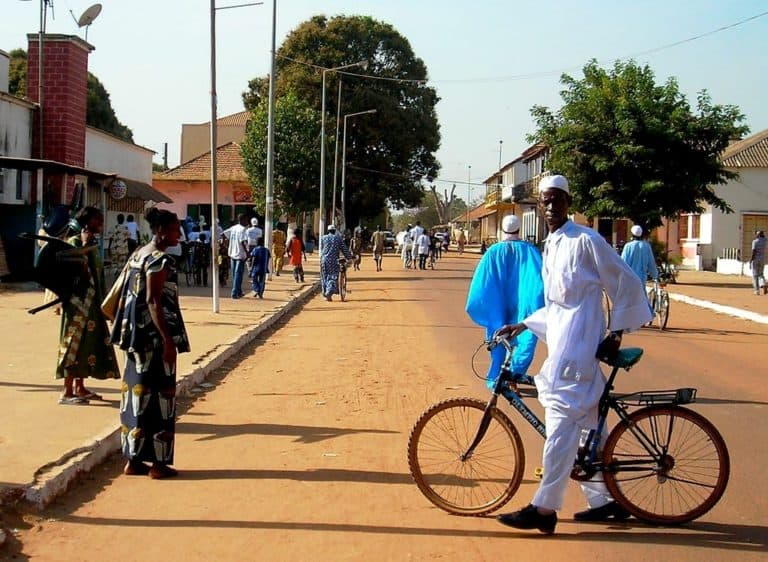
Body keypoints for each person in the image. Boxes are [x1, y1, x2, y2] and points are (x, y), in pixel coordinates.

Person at [495, 175, 652, 534]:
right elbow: (556, 305)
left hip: (579, 348)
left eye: (557, 200)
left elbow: (625, 281)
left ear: (569, 202)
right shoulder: (550, 244)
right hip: (563, 341)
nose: (550, 207)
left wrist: (616, 331)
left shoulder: (586, 240)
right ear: (539, 206)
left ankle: (545, 508)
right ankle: (604, 500)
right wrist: (522, 324)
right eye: (545, 201)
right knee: (588, 426)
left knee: (561, 425)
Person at [110, 207, 190, 479]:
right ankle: (158, 464)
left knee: (135, 397)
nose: (178, 233)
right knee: (160, 397)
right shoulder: (159, 260)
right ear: (160, 231)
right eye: (174, 228)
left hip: (133, 336)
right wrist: (168, 340)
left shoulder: (137, 255)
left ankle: (133, 461)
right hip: (154, 338)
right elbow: (154, 300)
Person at [466, 214, 544, 390]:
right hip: (524, 306)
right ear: (519, 229)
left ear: (502, 229)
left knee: (499, 338)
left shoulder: (492, 252)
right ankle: (513, 376)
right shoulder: (530, 251)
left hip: (498, 305)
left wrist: (484, 305)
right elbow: (540, 281)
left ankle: (498, 376)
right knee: (526, 340)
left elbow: (482, 282)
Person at [56, 206, 120, 405]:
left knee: (88, 346)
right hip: (77, 306)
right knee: (73, 346)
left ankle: (80, 387)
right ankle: (67, 392)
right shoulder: (74, 243)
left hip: (92, 304)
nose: (101, 224)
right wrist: (83, 245)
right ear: (87, 222)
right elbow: (74, 271)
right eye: (97, 220)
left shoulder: (93, 243)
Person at [320, 224, 353, 301]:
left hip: (324, 260)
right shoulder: (338, 238)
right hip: (333, 260)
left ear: (328, 231)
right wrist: (349, 258)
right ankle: (329, 291)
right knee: (333, 276)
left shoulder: (323, 238)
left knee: (324, 276)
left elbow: (322, 249)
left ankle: (326, 293)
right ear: (335, 231)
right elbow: (344, 249)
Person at [224, 214, 249, 299]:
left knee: (235, 274)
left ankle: (239, 291)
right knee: (238, 274)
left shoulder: (233, 228)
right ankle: (234, 293)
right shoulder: (242, 229)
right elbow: (243, 242)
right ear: (242, 220)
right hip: (239, 254)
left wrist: (227, 245)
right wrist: (247, 253)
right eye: (246, 220)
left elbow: (224, 234)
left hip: (232, 253)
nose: (247, 222)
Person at [750, 230, 766, 295]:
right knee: (761, 274)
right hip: (762, 259)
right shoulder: (765, 240)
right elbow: (764, 237)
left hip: (756, 259)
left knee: (755, 275)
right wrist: (762, 234)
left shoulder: (755, 242)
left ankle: (757, 290)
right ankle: (763, 284)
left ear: (758, 235)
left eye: (756, 234)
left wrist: (751, 259)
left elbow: (754, 251)